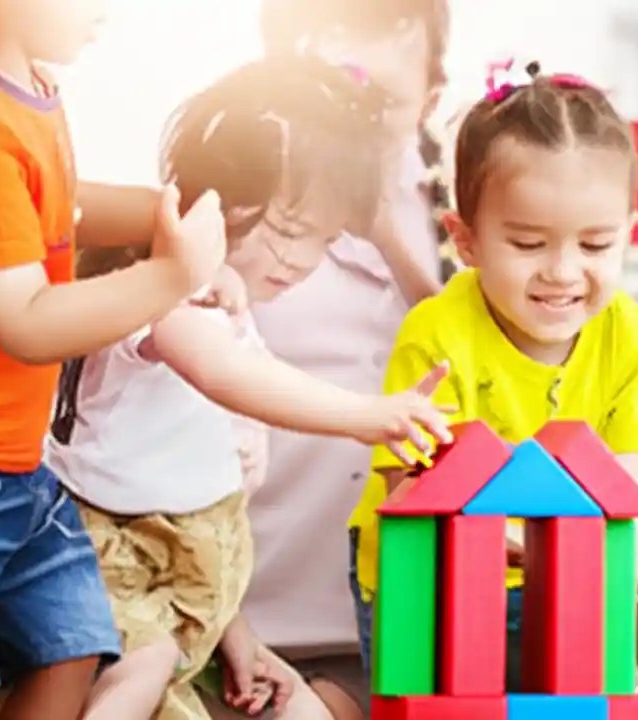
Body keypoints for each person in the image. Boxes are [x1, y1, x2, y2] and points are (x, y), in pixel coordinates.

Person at [41, 56, 455, 720]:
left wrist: (235, 630)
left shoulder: (231, 308)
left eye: (322, 240)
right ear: (208, 197)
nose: (300, 258)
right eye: (288, 230)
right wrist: (367, 415)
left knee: (301, 709)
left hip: (191, 584)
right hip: (104, 563)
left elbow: (196, 522)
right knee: (143, 667)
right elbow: (226, 376)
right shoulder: (167, 286)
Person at [347, 63, 638, 719]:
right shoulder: (438, 334)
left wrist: (591, 570)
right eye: (529, 243)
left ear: (629, 230)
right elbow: (412, 499)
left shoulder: (629, 337)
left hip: (569, 577)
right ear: (466, 241)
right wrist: (525, 542)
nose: (563, 272)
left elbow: (634, 502)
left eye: (596, 244)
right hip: (432, 583)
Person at [0, 1, 229, 717]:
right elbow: (25, 321)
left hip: (17, 472)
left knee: (71, 645)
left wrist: (158, 218)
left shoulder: (27, 84)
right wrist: (168, 277)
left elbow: (57, 206)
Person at [208, 3, 453, 717]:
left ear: (429, 100)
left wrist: (378, 225)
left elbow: (483, 347)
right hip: (251, 618)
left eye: (378, 110)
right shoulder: (248, 209)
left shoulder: (463, 202)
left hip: (400, 625)